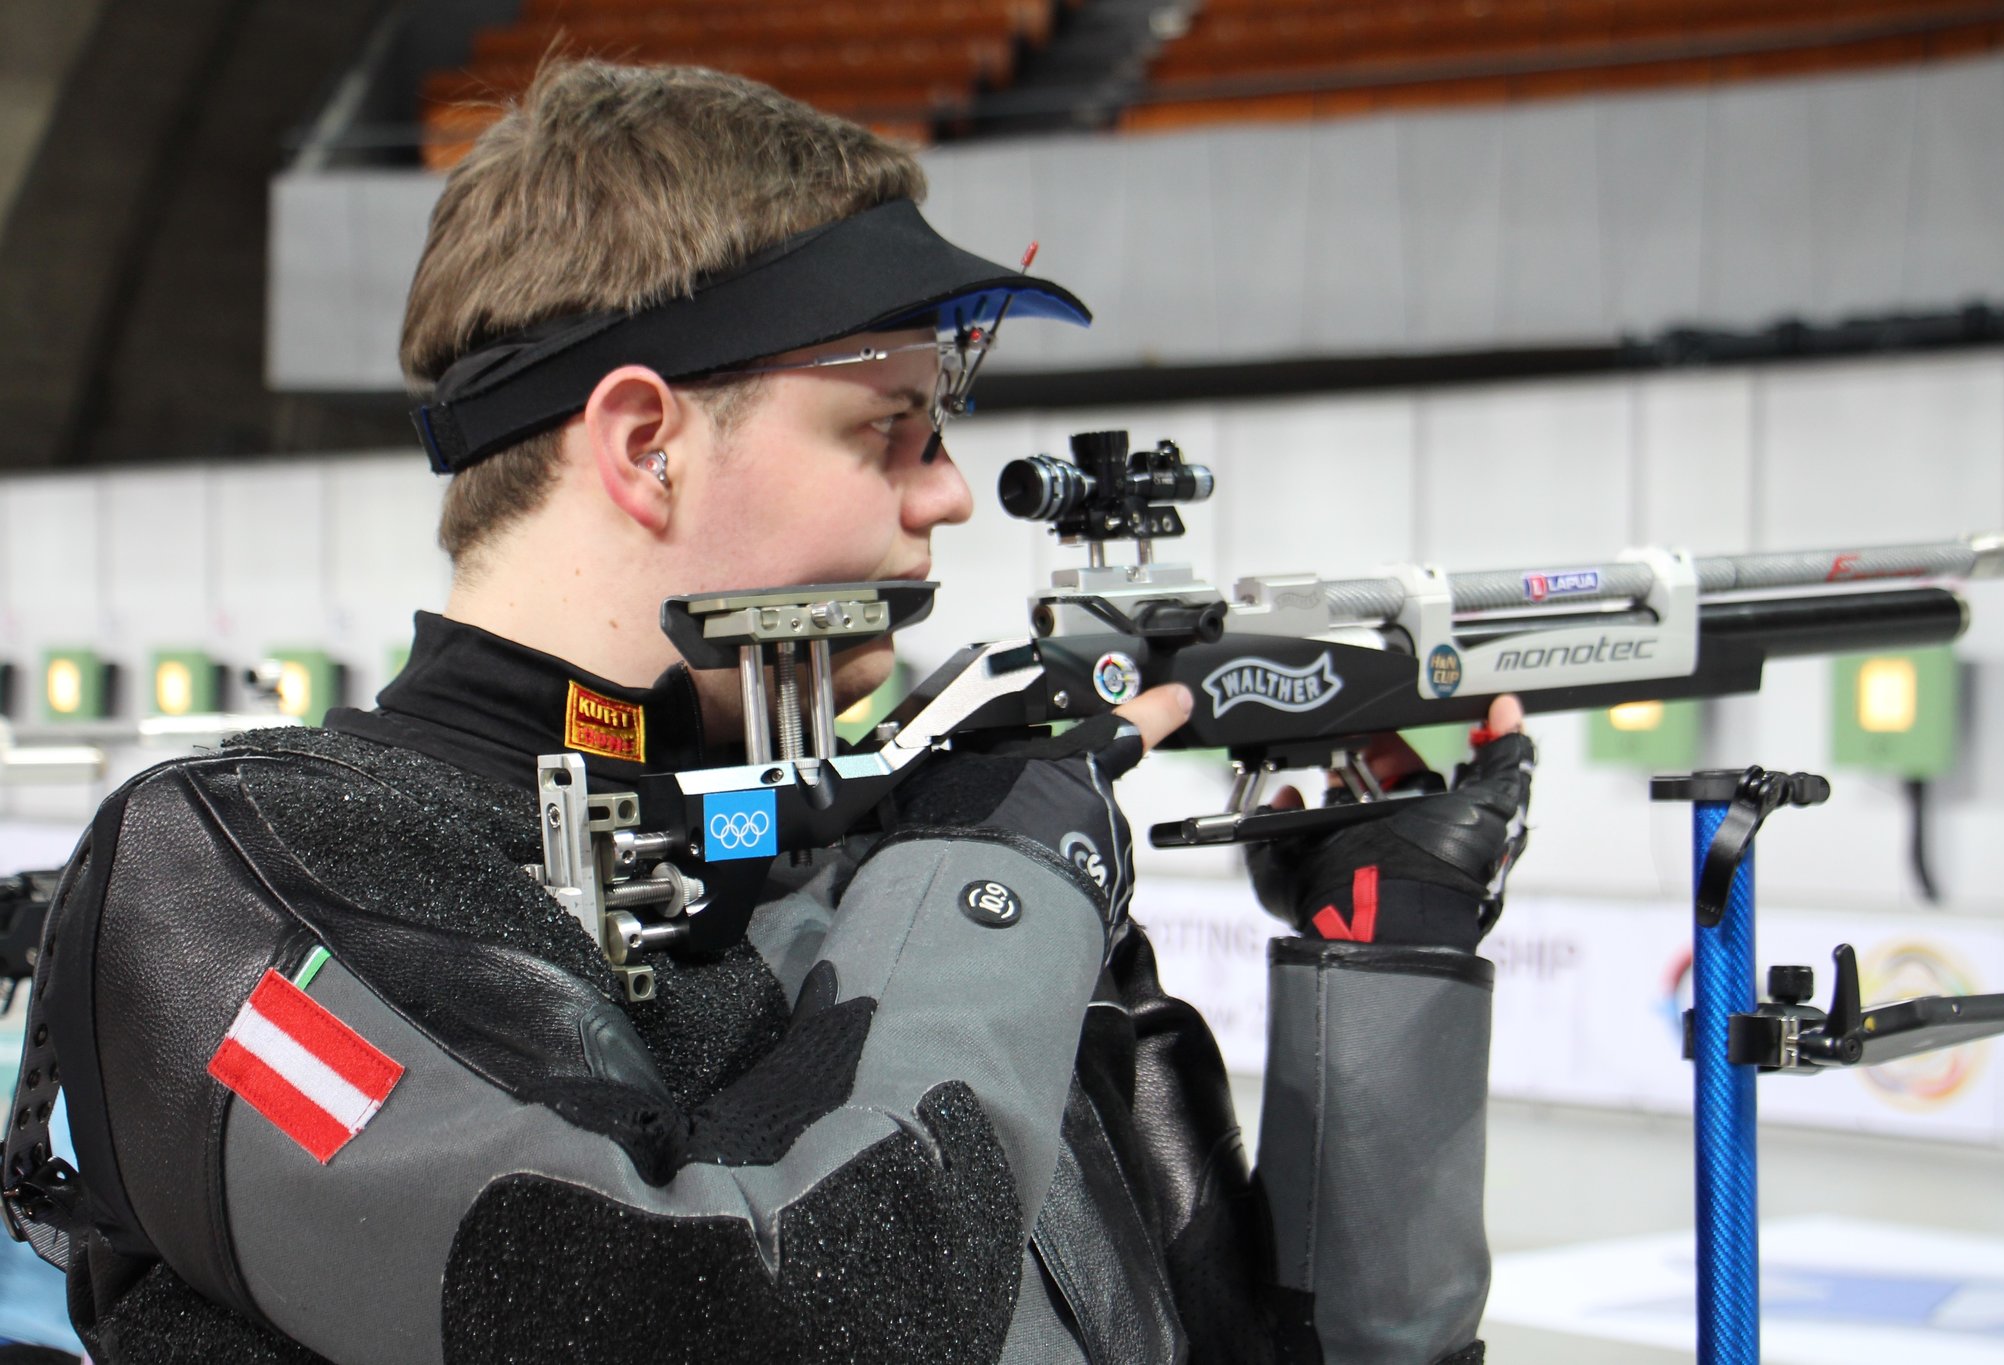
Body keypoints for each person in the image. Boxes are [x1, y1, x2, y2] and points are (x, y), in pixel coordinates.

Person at [0, 62, 1534, 1365]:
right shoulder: (230, 878)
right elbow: (769, 1308)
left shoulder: (905, 853)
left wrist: (1389, 951)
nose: (947, 492)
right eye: (891, 424)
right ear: (646, 440)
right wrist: (1005, 874)